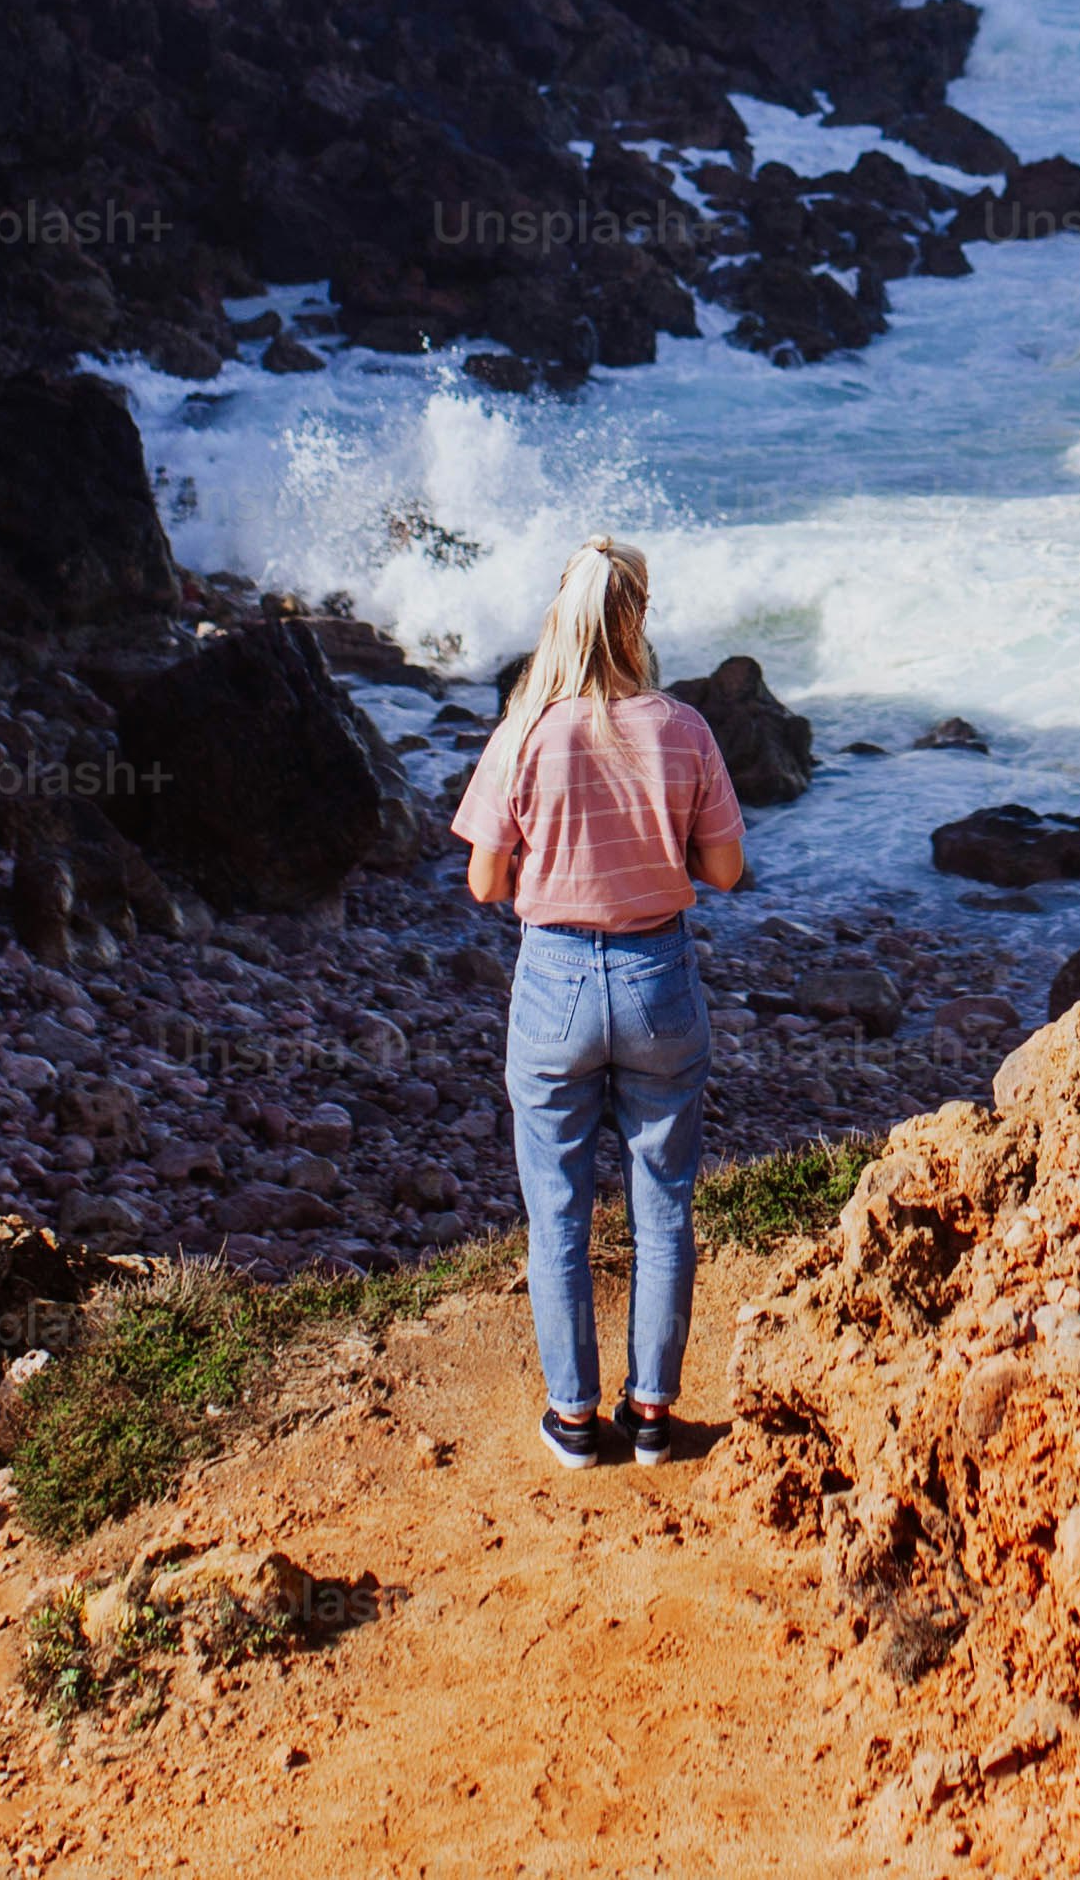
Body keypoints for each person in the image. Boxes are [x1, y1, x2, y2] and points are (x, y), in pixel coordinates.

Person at [452, 535, 748, 1468]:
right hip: (658, 976)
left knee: (558, 1212)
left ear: (562, 617)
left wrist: (557, 864)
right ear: (637, 619)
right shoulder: (684, 728)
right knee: (663, 1205)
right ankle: (652, 1414)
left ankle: (574, 1419)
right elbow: (725, 871)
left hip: (555, 982)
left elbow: (484, 882)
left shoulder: (525, 732)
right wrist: (658, 846)